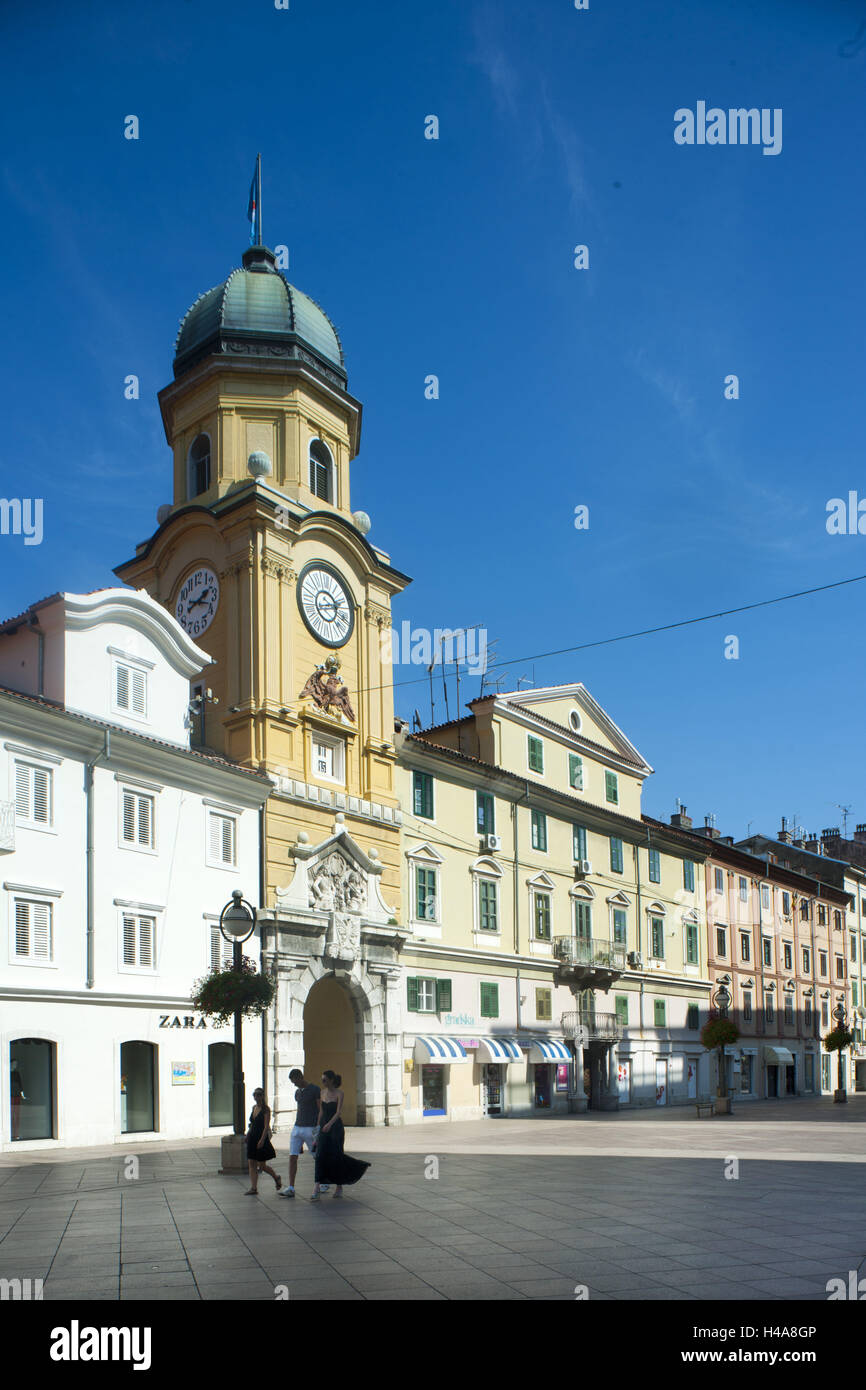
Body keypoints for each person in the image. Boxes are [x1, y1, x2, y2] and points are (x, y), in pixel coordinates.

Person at [310, 1070, 370, 1201]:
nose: (323, 1082)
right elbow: (321, 1111)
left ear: (331, 1080)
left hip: (335, 1128)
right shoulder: (322, 1092)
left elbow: (338, 1113)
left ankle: (339, 1186)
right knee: (320, 1156)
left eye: (325, 1080)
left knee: (336, 1156)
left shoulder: (339, 1093)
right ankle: (316, 1187)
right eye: (322, 1080)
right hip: (324, 1128)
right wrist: (318, 1127)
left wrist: (329, 1124)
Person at [279, 1067, 323, 1198]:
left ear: (300, 1077)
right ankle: (291, 1187)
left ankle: (321, 1183)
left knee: (317, 1157)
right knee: (292, 1156)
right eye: (293, 1082)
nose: (294, 1084)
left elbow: (320, 1109)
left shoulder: (315, 1090)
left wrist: (318, 1126)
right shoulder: (297, 1092)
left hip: (311, 1128)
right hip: (297, 1127)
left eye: (295, 1081)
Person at [244, 1088, 282, 1195]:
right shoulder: (254, 1108)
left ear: (262, 1096)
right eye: (255, 1095)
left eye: (259, 1095)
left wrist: (261, 1140)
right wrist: (248, 1134)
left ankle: (276, 1177)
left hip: (261, 1138)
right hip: (252, 1137)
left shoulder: (266, 1109)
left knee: (262, 1166)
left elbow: (266, 1126)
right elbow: (252, 1124)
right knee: (251, 1162)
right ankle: (254, 1188)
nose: (257, 1097)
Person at [10, 1060, 24, 1141]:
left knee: (17, 1115)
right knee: (11, 1116)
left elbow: (20, 1083)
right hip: (10, 1096)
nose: (15, 1065)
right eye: (14, 1064)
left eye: (16, 1064)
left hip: (17, 1096)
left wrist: (22, 1093)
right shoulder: (6, 1073)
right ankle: (11, 1134)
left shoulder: (16, 1073)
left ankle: (16, 1134)